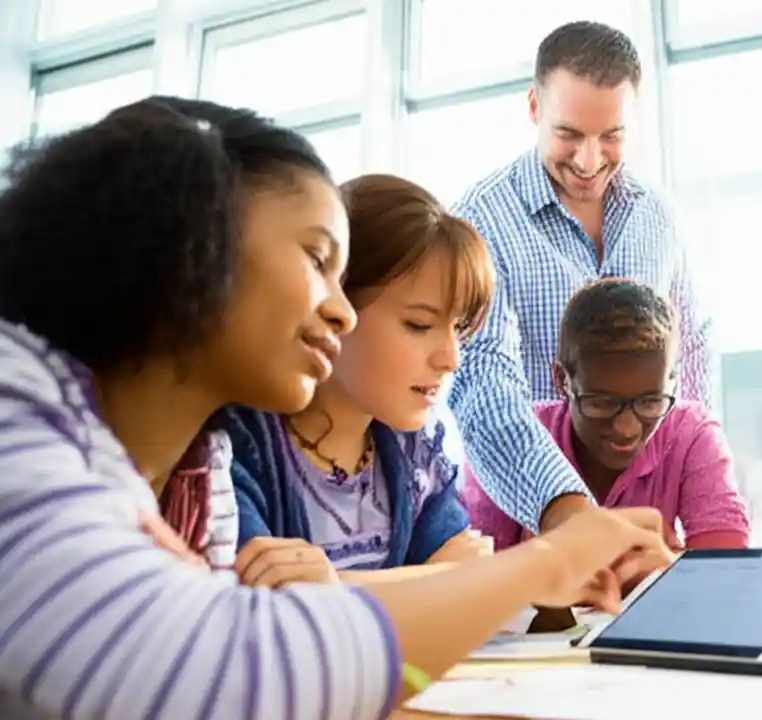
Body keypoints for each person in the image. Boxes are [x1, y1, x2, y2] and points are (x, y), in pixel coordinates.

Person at [0, 96, 668, 719]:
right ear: (184, 236)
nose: (341, 311)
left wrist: (524, 572)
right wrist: (541, 565)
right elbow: (216, 667)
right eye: (318, 260)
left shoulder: (202, 466)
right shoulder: (13, 396)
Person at [451, 21, 712, 543]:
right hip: (527, 527)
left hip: (648, 526)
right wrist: (569, 513)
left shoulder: (658, 216)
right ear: (534, 107)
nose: (589, 161)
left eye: (611, 136)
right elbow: (483, 386)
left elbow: (692, 359)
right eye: (568, 134)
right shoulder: (481, 222)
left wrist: (697, 488)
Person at [225, 174, 494, 585]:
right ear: (332, 305)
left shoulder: (415, 453)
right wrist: (428, 583)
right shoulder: (238, 445)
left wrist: (336, 589)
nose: (451, 359)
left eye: (458, 328)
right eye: (419, 324)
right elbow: (269, 605)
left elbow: (466, 580)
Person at [463, 278, 750, 551]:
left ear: (673, 381)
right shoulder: (514, 442)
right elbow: (478, 570)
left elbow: (728, 565)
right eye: (601, 404)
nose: (626, 429)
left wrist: (663, 568)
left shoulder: (692, 434)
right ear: (561, 380)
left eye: (650, 403)